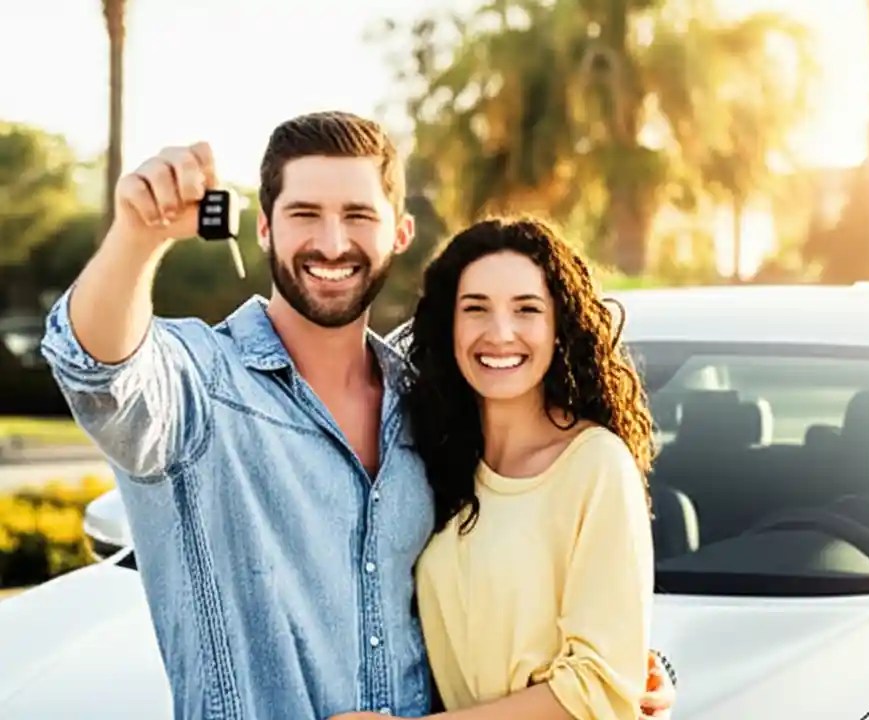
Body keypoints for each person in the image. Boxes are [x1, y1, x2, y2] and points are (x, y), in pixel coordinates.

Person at [39, 111, 674, 719]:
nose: (332, 242)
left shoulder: (428, 410)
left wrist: (625, 672)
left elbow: (502, 586)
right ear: (265, 228)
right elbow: (100, 371)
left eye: (357, 215)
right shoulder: (201, 388)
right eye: (305, 214)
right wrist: (136, 237)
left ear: (398, 233)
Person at [332, 217, 656, 720]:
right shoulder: (430, 460)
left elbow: (600, 689)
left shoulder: (594, 466)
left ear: (559, 326)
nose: (500, 334)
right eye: (475, 309)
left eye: (527, 309)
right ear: (450, 325)